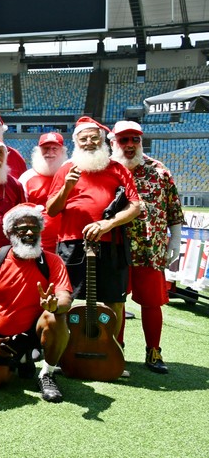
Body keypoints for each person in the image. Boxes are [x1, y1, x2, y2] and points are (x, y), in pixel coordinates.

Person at [46, 116, 141, 343]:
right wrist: (67, 187)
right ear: (76, 143)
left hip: (112, 244)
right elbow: (51, 210)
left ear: (103, 141)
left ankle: (112, 350)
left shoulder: (118, 169)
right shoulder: (66, 169)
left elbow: (136, 206)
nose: (89, 142)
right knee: (65, 299)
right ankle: (63, 350)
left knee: (115, 302)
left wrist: (108, 223)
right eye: (84, 139)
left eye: (94, 138)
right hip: (72, 243)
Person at [0, 204, 72, 403]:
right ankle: (20, 358)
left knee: (55, 318)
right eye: (23, 229)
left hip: (35, 332)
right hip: (1, 338)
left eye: (35, 227)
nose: (30, 232)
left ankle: (47, 374)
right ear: (10, 232)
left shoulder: (52, 261)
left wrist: (55, 305)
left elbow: (65, 298)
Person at [109, 120, 184, 373]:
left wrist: (174, 239)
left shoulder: (159, 170)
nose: (130, 145)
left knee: (152, 302)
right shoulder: (106, 169)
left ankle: (153, 351)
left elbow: (173, 209)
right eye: (124, 140)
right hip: (115, 247)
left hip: (149, 249)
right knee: (115, 301)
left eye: (135, 140)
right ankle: (114, 349)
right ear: (114, 142)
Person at [19, 132, 68, 254]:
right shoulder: (27, 178)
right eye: (45, 148)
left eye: (54, 148)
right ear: (38, 151)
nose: (50, 153)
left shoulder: (70, 175)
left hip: (67, 242)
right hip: (37, 243)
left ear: (62, 151)